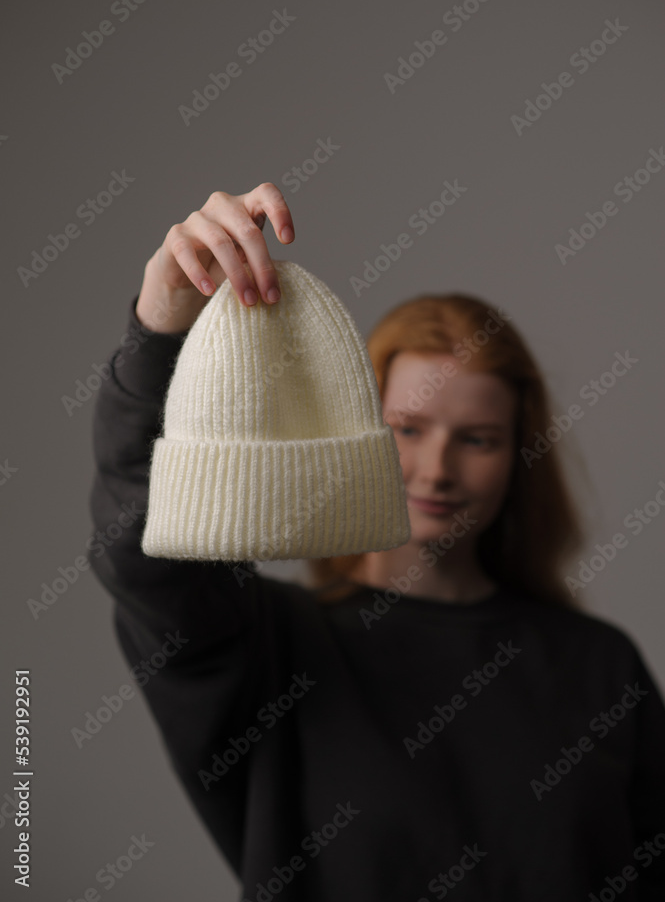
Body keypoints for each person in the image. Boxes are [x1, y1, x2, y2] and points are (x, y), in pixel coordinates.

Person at [89, 182, 665, 901]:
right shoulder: (262, 647)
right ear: (353, 426)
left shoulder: (599, 668)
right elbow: (146, 550)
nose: (436, 469)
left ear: (520, 457)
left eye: (478, 439)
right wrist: (161, 327)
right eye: (407, 429)